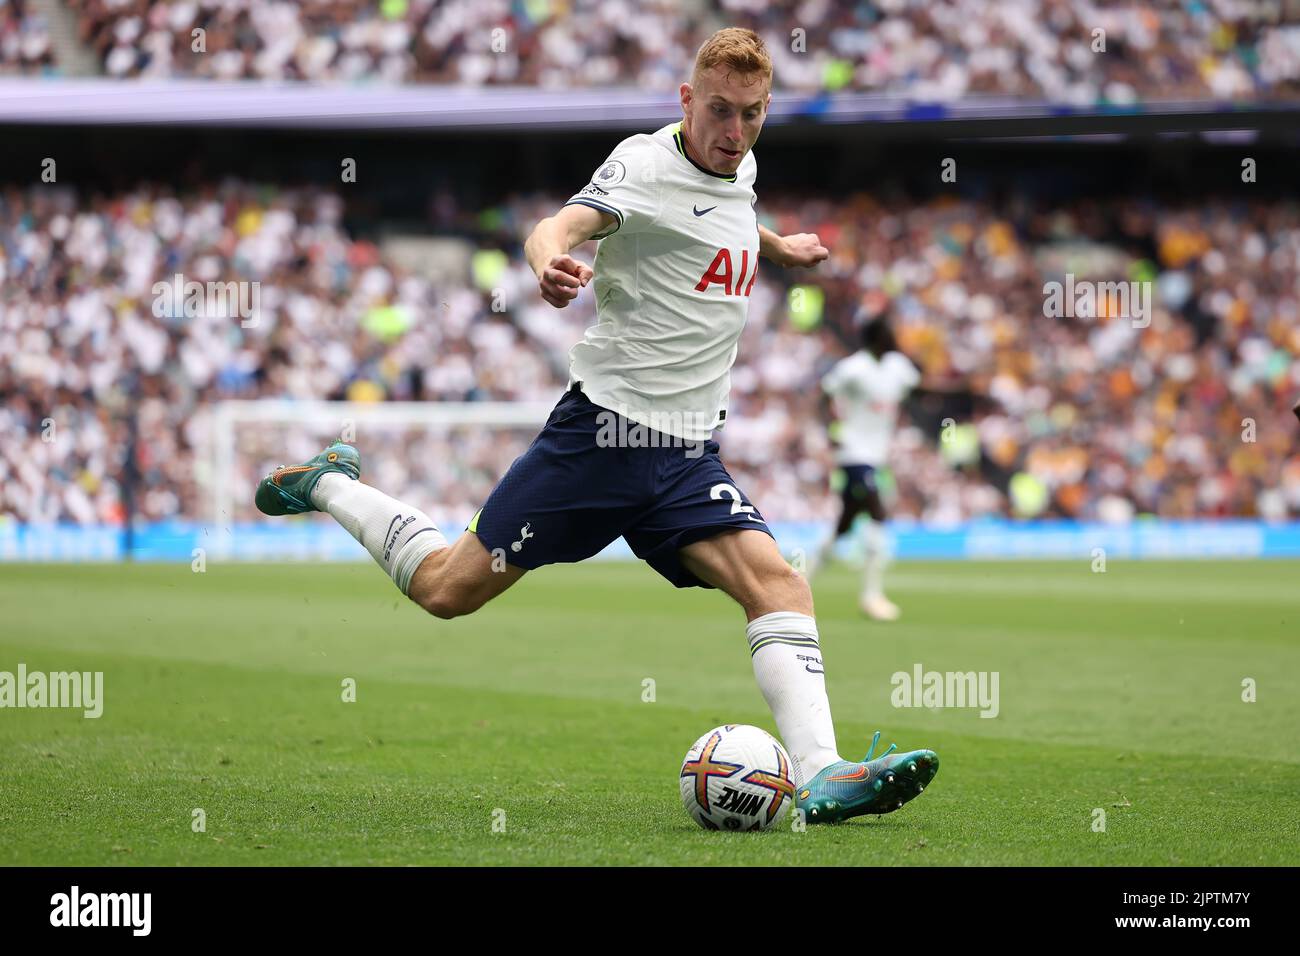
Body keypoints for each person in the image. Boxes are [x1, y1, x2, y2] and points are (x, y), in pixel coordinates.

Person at [255, 28, 937, 824]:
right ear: (686, 100)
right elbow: (563, 224)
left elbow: (721, 214)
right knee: (447, 589)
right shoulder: (643, 165)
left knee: (779, 582)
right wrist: (547, 264)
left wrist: (778, 247)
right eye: (719, 111)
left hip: (683, 454)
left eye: (752, 115)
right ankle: (331, 482)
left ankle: (823, 773)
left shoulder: (740, 165)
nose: (735, 132)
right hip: (601, 440)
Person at [813, 314, 920, 621]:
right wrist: (832, 431)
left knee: (845, 523)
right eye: (889, 333)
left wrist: (966, 388)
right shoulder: (853, 368)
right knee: (877, 510)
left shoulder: (898, 366)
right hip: (853, 452)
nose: (894, 338)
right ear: (876, 337)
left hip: (877, 454)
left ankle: (800, 579)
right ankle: (872, 596)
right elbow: (823, 397)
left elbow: (920, 389)